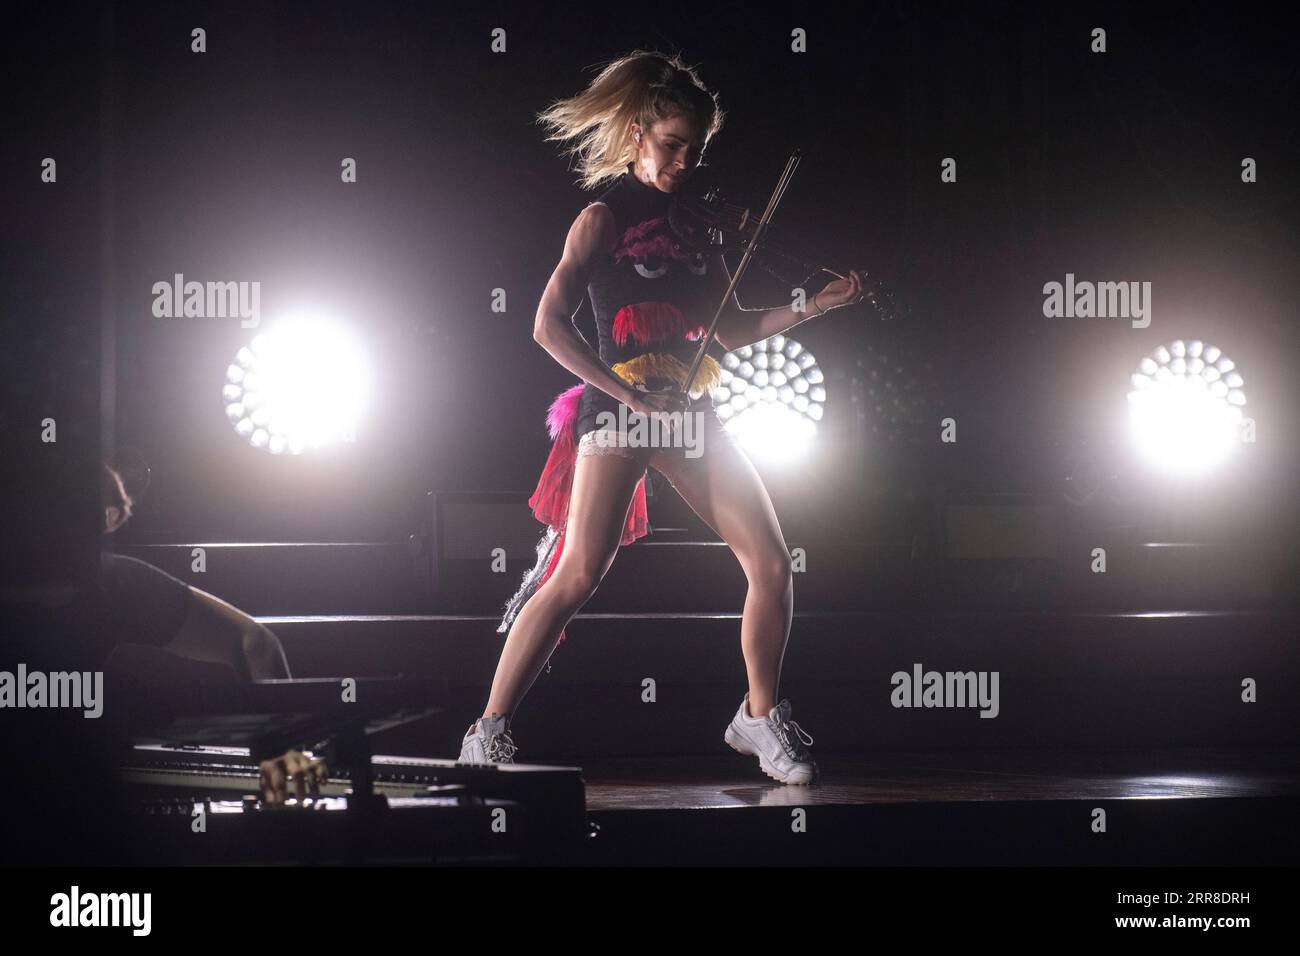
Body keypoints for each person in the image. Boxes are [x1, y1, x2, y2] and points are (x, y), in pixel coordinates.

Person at [461, 50, 863, 784]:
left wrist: (813, 306)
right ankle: (487, 731)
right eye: (673, 145)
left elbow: (725, 328)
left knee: (771, 563)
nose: (685, 161)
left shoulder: (702, 228)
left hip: (689, 409)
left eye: (697, 149)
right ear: (640, 134)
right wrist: (624, 393)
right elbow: (548, 326)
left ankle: (759, 717)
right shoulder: (601, 218)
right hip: (619, 411)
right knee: (577, 573)